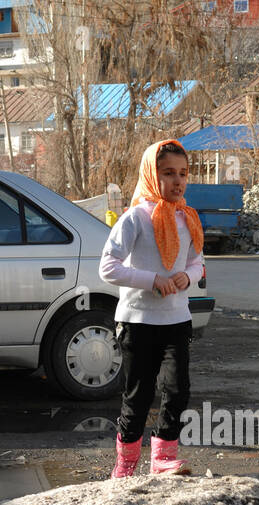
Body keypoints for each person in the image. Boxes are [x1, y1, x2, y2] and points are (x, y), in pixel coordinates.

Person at [99, 139, 204, 478]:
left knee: (177, 389)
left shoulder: (188, 218)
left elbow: (197, 261)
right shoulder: (135, 218)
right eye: (168, 173)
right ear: (150, 174)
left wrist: (186, 278)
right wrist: (152, 280)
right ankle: (125, 467)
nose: (178, 181)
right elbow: (107, 267)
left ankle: (162, 458)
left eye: (183, 174)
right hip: (138, 322)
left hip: (177, 319)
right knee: (138, 396)